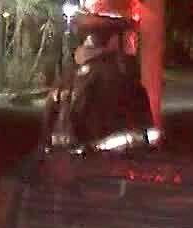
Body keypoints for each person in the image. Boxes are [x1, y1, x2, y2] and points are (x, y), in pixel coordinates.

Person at [45, 0, 157, 155]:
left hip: (63, 163)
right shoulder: (124, 82)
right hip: (109, 167)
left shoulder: (65, 80)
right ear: (113, 39)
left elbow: (48, 126)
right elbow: (146, 137)